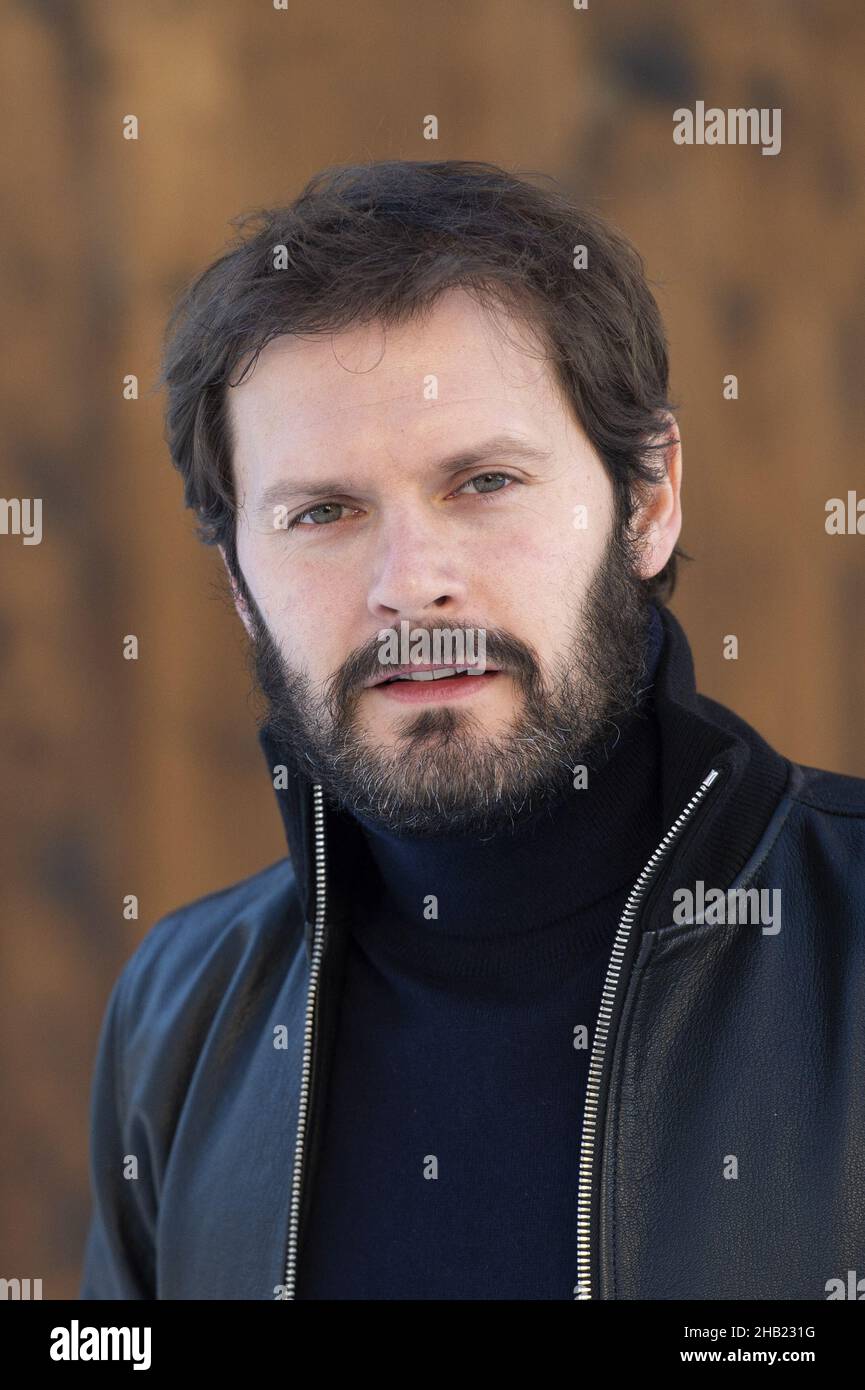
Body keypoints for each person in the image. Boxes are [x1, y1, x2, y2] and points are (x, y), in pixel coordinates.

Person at [80, 160, 865, 1300]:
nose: (412, 586)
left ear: (646, 502)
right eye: (323, 513)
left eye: (484, 482)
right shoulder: (177, 1014)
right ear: (240, 583)